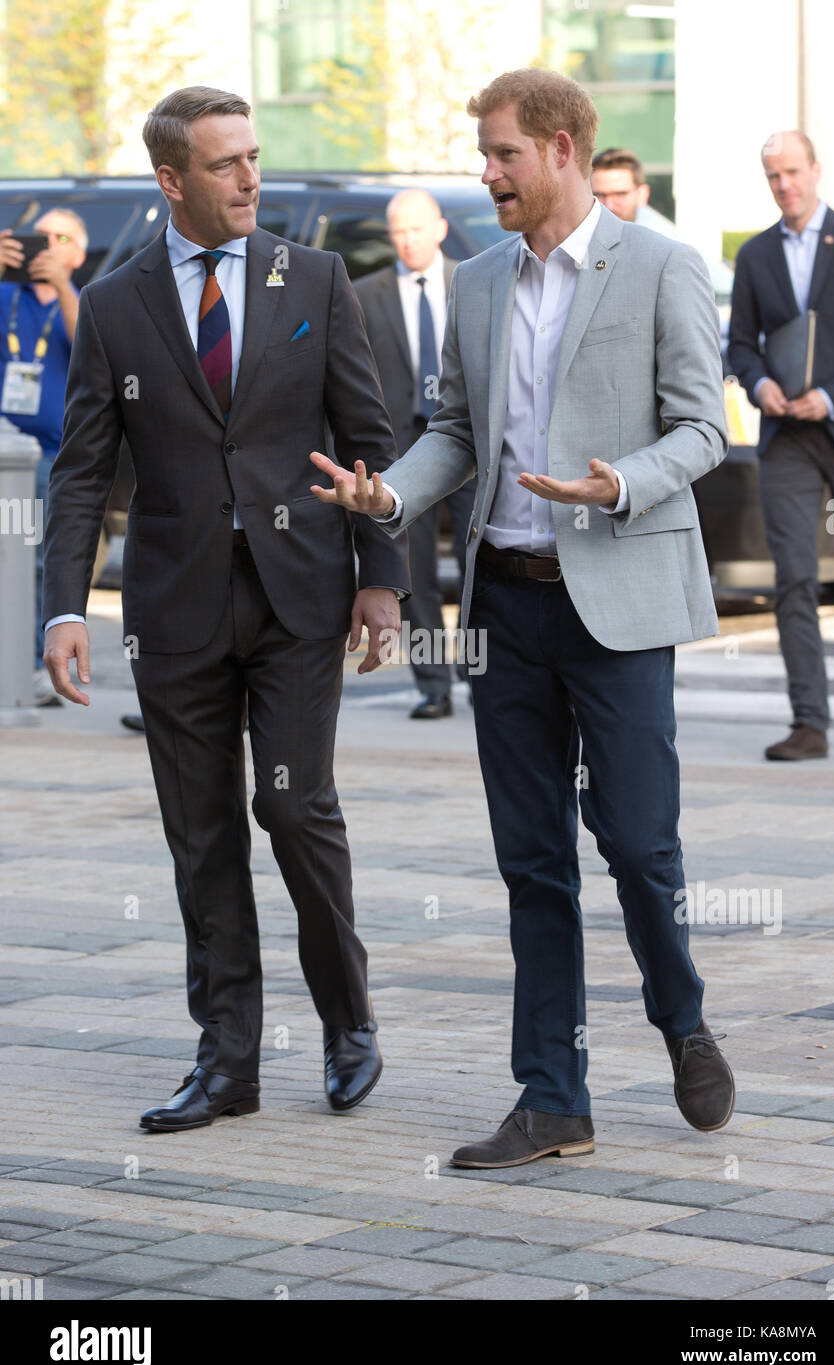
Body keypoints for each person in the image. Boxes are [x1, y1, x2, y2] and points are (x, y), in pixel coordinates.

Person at [311, 67, 735, 1168]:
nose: (484, 172)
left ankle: (680, 1018)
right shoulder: (479, 281)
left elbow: (701, 428)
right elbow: (455, 427)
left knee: (638, 843)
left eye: (500, 153)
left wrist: (619, 484)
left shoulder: (663, 266)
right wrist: (390, 493)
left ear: (560, 150)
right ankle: (552, 1095)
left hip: (619, 604)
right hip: (504, 601)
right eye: (483, 154)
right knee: (532, 858)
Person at [41, 86, 409, 1132]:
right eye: (224, 164)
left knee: (292, 806)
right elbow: (79, 473)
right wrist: (62, 607)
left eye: (253, 157)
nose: (250, 179)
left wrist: (380, 574)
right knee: (200, 836)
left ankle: (348, 1021)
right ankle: (227, 1061)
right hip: (174, 609)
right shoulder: (115, 305)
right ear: (172, 180)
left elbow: (367, 439)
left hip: (299, 603)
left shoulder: (318, 277)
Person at [729, 131, 834, 762]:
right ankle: (809, 721)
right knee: (794, 580)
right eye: (773, 177)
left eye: (792, 172)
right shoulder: (756, 256)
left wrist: (832, 394)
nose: (785, 185)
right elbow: (740, 345)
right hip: (786, 440)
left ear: (816, 170)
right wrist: (761, 385)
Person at [354, 190, 475, 719]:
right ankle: (435, 685)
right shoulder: (365, 294)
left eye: (418, 230)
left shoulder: (474, 283)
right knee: (414, 572)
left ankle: (484, 672)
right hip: (403, 452)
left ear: (440, 230)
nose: (408, 241)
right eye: (399, 232)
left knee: (481, 562)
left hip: (471, 446)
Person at [0, 209, 86, 707]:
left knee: (32, 560)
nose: (47, 245)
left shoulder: (85, 300)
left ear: (77, 253)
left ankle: (32, 664)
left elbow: (88, 348)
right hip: (4, 452)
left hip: (46, 457)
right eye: (41, 236)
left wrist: (63, 286)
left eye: (61, 238)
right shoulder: (8, 295)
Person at [590, 148, 650, 225]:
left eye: (620, 194)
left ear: (642, 195)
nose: (609, 206)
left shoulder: (662, 234)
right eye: (599, 195)